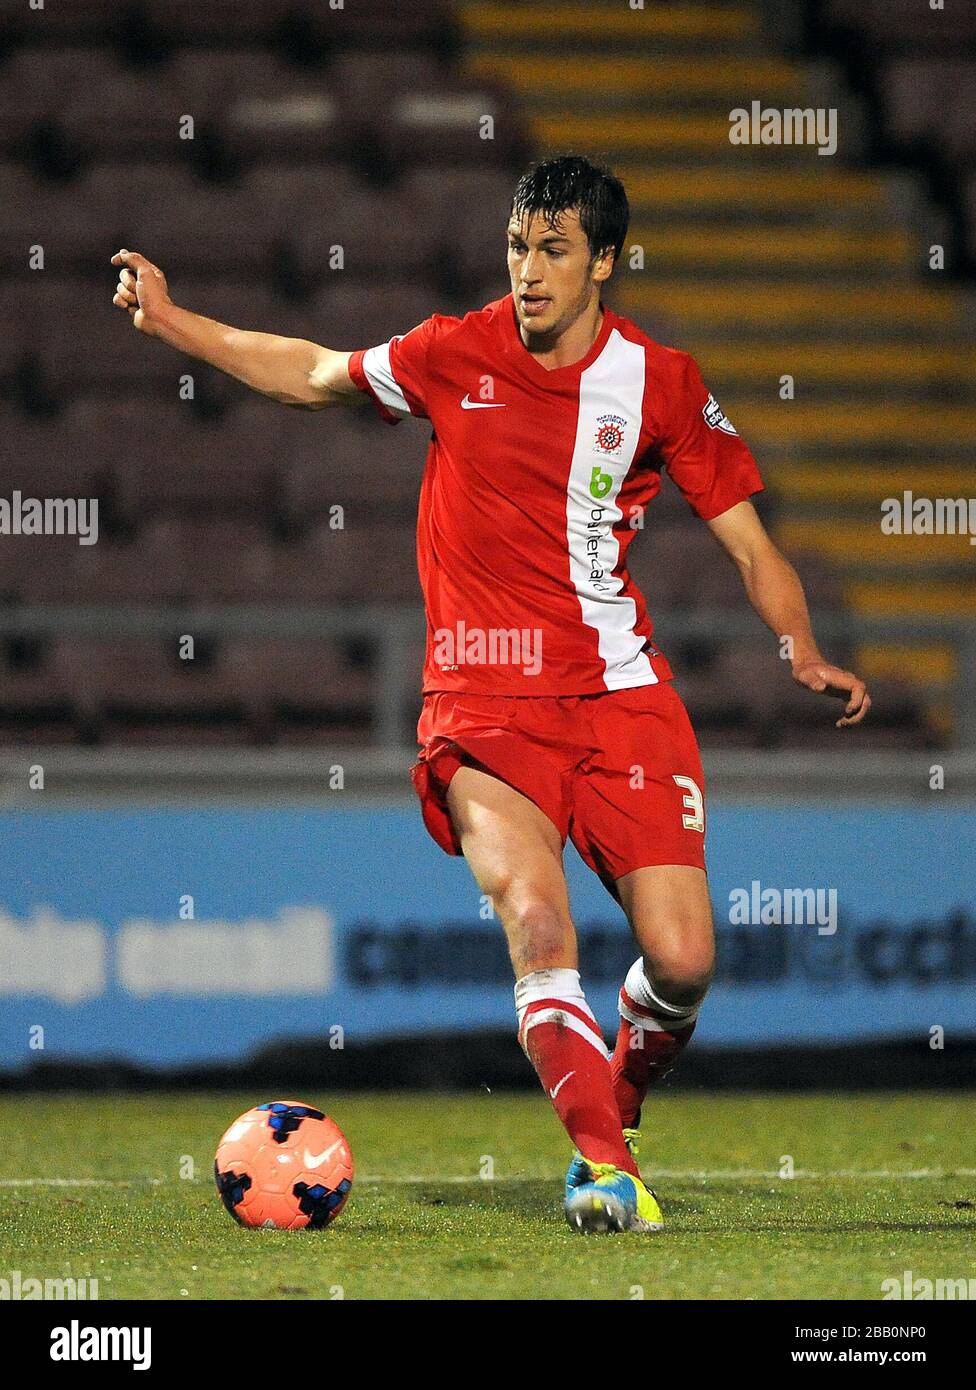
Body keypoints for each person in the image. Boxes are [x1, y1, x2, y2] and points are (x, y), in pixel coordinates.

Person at [110, 154, 871, 1233]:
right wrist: (176, 324)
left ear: (605, 262)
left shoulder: (660, 382)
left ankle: (620, 1100)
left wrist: (799, 644)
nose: (527, 270)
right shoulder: (448, 351)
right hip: (480, 702)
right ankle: (604, 1169)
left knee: (686, 958)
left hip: (617, 695)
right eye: (518, 246)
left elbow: (748, 541)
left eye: (554, 250)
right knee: (535, 918)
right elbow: (311, 371)